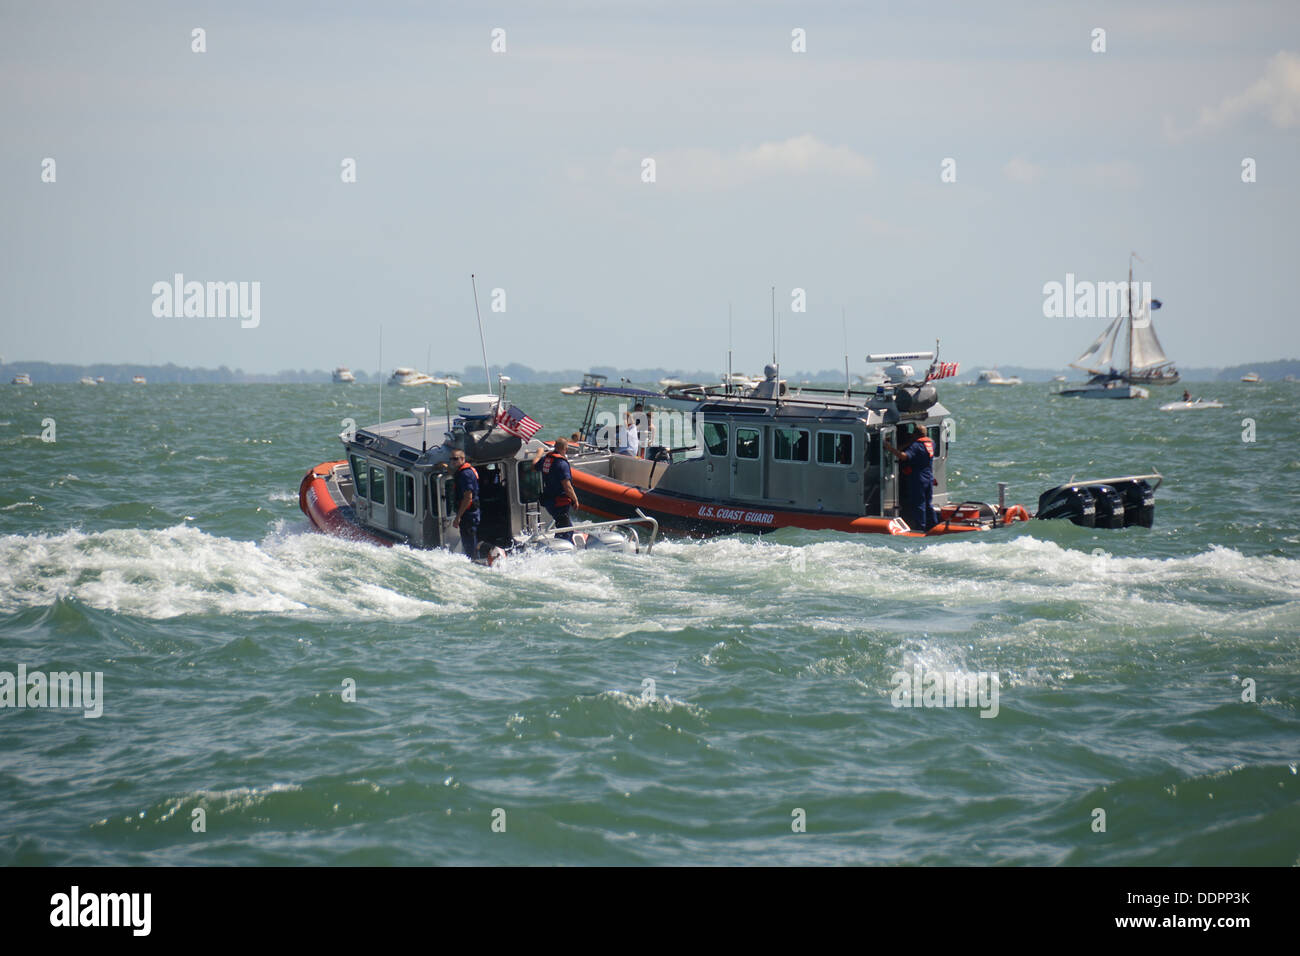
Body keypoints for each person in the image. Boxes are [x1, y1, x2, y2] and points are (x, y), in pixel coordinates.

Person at [884, 425, 935, 532]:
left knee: (918, 504)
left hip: (918, 478)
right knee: (928, 503)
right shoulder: (931, 443)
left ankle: (920, 528)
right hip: (928, 476)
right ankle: (933, 525)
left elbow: (903, 456)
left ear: (914, 435)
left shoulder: (917, 445)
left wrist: (890, 448)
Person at [533, 437, 580, 540]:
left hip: (548, 501)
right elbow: (567, 486)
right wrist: (575, 500)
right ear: (565, 448)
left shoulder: (546, 460)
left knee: (561, 526)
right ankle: (560, 550)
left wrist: (539, 453)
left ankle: (558, 542)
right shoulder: (561, 464)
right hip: (559, 502)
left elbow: (534, 466)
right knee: (567, 531)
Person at [450, 450, 480, 560]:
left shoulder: (465, 474)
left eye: (455, 459)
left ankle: (473, 561)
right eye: (451, 459)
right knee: (469, 539)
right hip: (470, 513)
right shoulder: (463, 472)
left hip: (468, 514)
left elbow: (468, 497)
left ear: (463, 459)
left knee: (469, 542)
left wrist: (458, 517)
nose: (452, 461)